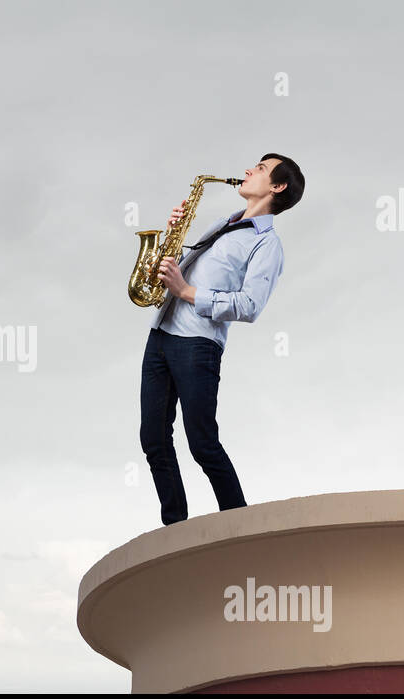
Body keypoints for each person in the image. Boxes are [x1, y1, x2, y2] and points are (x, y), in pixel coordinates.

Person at [140, 153, 305, 525]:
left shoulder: (267, 245)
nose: (249, 170)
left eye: (260, 169)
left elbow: (249, 305)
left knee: (202, 444)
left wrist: (185, 292)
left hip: (197, 345)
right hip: (161, 334)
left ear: (277, 187)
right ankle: (174, 529)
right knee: (153, 439)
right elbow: (193, 270)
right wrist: (172, 240)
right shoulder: (224, 223)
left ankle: (239, 529)